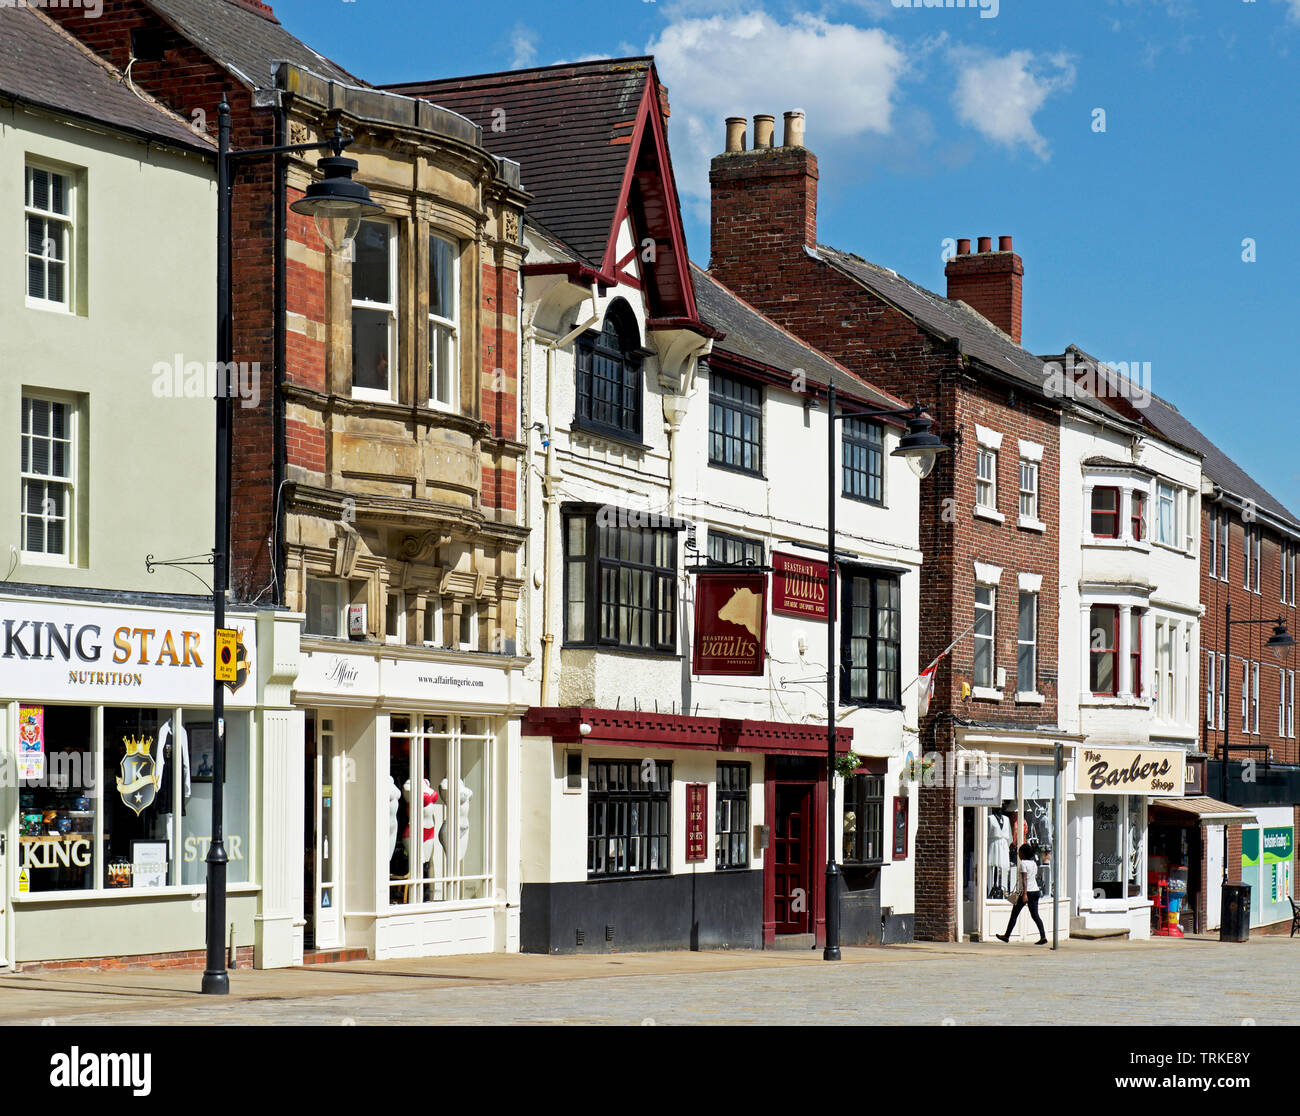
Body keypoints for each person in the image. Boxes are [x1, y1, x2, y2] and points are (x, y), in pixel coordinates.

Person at [996, 842, 1047, 944]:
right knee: (1035, 915)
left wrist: (1024, 895)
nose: (1018, 854)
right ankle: (1043, 936)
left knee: (1014, 914)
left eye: (1019, 853)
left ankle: (1006, 936)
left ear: (1023, 854)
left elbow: (1024, 880)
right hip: (1035, 891)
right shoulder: (1033, 863)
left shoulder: (1023, 864)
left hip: (1027, 892)